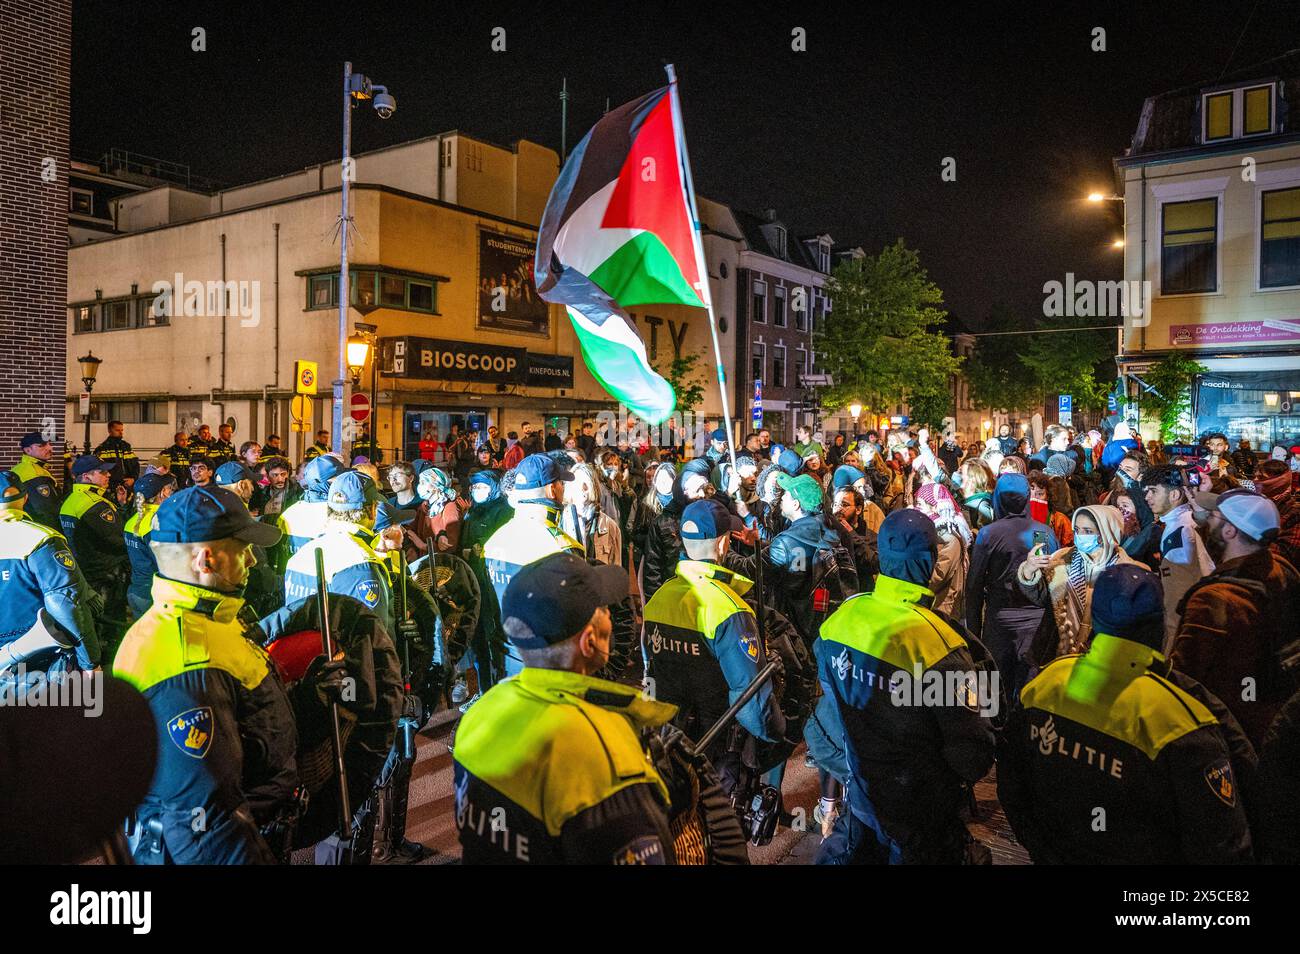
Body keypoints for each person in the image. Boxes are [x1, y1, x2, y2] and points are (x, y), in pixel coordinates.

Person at [997, 564, 1252, 864]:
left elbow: (1012, 786)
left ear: (1096, 620)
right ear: (1159, 625)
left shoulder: (1045, 684)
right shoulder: (1182, 719)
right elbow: (1220, 844)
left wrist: (1042, 849)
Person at [113, 484, 300, 864]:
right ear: (206, 559)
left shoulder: (205, 617)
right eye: (243, 549)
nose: (251, 561)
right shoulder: (185, 662)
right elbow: (205, 827)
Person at [453, 552, 676, 864]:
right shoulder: (603, 752)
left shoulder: (481, 712)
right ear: (588, 642)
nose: (611, 616)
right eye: (604, 609)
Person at [815, 509, 996, 864]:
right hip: (921, 813)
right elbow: (972, 754)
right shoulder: (940, 643)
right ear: (930, 563)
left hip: (862, 795)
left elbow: (831, 708)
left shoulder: (840, 621)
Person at [644, 500, 787, 783]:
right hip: (717, 750)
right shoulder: (729, 609)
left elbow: (650, 672)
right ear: (723, 544)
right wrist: (778, 733)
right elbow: (750, 698)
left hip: (668, 743)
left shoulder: (659, 598)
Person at [1170, 488, 1299, 748]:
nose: (1206, 521)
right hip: (1269, 717)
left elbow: (1184, 678)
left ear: (1230, 531)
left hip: (1226, 731)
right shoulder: (1281, 568)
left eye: (1214, 517)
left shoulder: (1214, 599)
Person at [480, 455, 584, 686]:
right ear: (551, 489)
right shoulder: (561, 547)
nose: (563, 490)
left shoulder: (494, 541)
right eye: (561, 484)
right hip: (548, 669)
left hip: (505, 661)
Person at [966, 472, 1058, 700]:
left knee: (997, 692)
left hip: (1000, 624)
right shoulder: (1043, 532)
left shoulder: (989, 533)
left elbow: (974, 586)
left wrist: (973, 634)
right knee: (1029, 692)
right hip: (1036, 624)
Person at [0, 471, 100, 674]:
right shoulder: (40, 539)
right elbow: (66, 605)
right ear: (25, 497)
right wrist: (91, 663)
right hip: (36, 661)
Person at [1017, 504, 1143, 661]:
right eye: (1077, 530)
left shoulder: (1132, 574)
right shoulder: (1061, 559)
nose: (1080, 536)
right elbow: (1042, 599)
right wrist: (1029, 571)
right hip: (1054, 656)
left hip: (1102, 662)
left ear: (1107, 532)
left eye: (1088, 531)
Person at [284, 471, 395, 629]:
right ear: (372, 510)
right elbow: (372, 636)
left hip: (302, 652)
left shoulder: (301, 555)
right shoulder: (359, 561)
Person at [766, 473, 855, 649]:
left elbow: (754, 569)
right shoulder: (834, 530)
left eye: (786, 494)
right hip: (827, 625)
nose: (782, 497)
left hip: (793, 630)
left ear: (796, 504)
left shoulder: (785, 542)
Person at [59, 455, 130, 659]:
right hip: (107, 574)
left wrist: (120, 505)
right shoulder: (96, 505)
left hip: (85, 571)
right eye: (102, 472)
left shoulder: (72, 500)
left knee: (92, 619)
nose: (108, 475)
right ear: (86, 476)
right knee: (111, 621)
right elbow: (119, 539)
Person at [1141, 465, 1215, 652]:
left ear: (1174, 495)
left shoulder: (1180, 531)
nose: (1147, 497)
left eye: (1153, 491)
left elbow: (1176, 597)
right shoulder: (1184, 522)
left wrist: (1170, 651)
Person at [913, 482, 972, 620]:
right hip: (934, 603)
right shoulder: (934, 531)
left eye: (920, 504)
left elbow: (938, 575)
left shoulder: (948, 537)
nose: (916, 508)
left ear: (934, 506)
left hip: (943, 606)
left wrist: (912, 580)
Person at [123, 472, 177, 618]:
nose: (171, 491)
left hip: (137, 591)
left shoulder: (132, 521)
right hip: (154, 596)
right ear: (162, 493)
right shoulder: (158, 522)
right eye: (168, 488)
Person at [276, 455, 346, 558]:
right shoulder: (337, 515)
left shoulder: (289, 512)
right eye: (340, 478)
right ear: (331, 482)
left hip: (291, 573)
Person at [561, 462, 622, 567]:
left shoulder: (610, 526)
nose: (583, 489)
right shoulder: (560, 522)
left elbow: (615, 569)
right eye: (577, 483)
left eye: (586, 484)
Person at [410, 466, 464, 558]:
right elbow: (411, 529)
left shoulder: (449, 507)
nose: (420, 486)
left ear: (435, 486)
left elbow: (451, 545)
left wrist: (424, 546)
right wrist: (412, 547)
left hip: (440, 565)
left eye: (423, 482)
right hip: (424, 561)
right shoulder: (425, 507)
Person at [13, 432, 61, 530]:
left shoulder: (21, 468)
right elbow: (46, 511)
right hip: (39, 530)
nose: (50, 448)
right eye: (41, 445)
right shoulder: (35, 473)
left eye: (49, 444)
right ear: (28, 450)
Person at [93, 420, 140, 489]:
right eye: (117, 430)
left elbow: (135, 465)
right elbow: (99, 470)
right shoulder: (102, 449)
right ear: (110, 431)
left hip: (128, 485)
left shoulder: (126, 446)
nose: (121, 433)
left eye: (122, 430)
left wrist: (133, 479)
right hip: (110, 487)